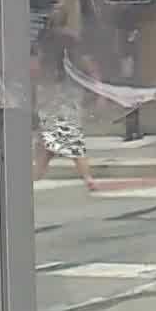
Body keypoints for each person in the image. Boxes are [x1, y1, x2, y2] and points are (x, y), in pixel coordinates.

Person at [31, 28, 99, 192]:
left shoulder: (46, 53)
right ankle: (87, 178)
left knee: (49, 142)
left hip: (54, 99)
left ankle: (35, 176)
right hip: (66, 99)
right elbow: (90, 68)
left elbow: (35, 71)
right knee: (58, 141)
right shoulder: (72, 50)